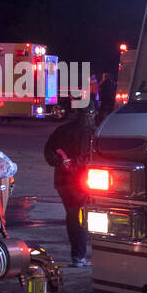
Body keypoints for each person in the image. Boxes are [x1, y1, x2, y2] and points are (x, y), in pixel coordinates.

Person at [44, 109, 96, 266]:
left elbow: (48, 152)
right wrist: (73, 163)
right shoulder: (92, 133)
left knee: (73, 216)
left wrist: (60, 161)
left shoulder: (62, 130)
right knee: (78, 218)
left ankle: (78, 255)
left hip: (63, 182)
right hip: (80, 183)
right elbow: (92, 156)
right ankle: (78, 256)